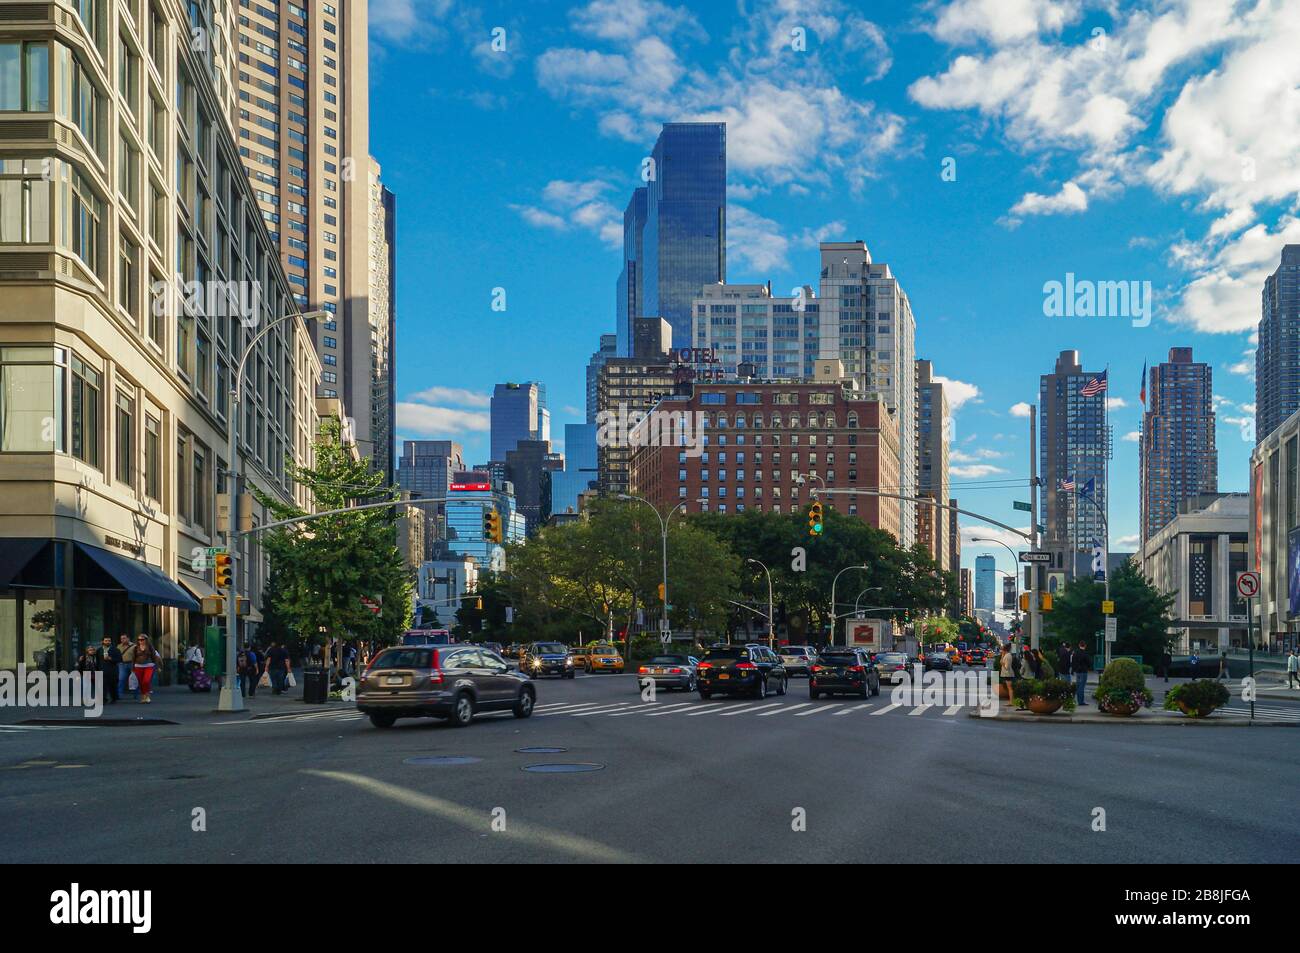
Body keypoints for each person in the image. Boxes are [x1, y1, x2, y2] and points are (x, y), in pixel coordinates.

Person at [127, 634, 162, 703]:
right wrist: (132, 667)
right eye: (139, 640)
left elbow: (154, 657)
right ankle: (143, 696)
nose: (140, 641)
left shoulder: (150, 647)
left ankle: (147, 696)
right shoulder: (136, 648)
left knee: (146, 681)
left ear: (146, 640)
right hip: (138, 666)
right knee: (141, 682)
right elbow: (133, 658)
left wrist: (158, 667)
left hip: (149, 666)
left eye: (142, 640)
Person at [1070, 640, 1092, 706]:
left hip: (1077, 672)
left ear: (1079, 645)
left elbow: (1073, 661)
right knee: (1082, 687)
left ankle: (1078, 700)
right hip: (1083, 671)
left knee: (1078, 686)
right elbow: (1089, 662)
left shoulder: (1075, 653)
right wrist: (1088, 667)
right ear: (1085, 646)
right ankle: (1081, 701)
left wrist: (1073, 670)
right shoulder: (1085, 653)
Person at [100, 636, 120, 703]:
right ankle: (103, 699)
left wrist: (111, 659)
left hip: (112, 670)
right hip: (102, 670)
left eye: (109, 640)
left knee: (112, 685)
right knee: (103, 685)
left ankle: (114, 698)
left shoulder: (115, 650)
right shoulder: (99, 650)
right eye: (106, 640)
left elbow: (119, 659)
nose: (108, 642)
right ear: (102, 641)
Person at [116, 634, 136, 700]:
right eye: (121, 639)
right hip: (122, 664)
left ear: (128, 638)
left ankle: (135, 694)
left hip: (132, 663)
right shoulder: (119, 646)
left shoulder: (134, 646)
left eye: (124, 638)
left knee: (134, 679)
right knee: (121, 679)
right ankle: (119, 694)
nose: (122, 640)